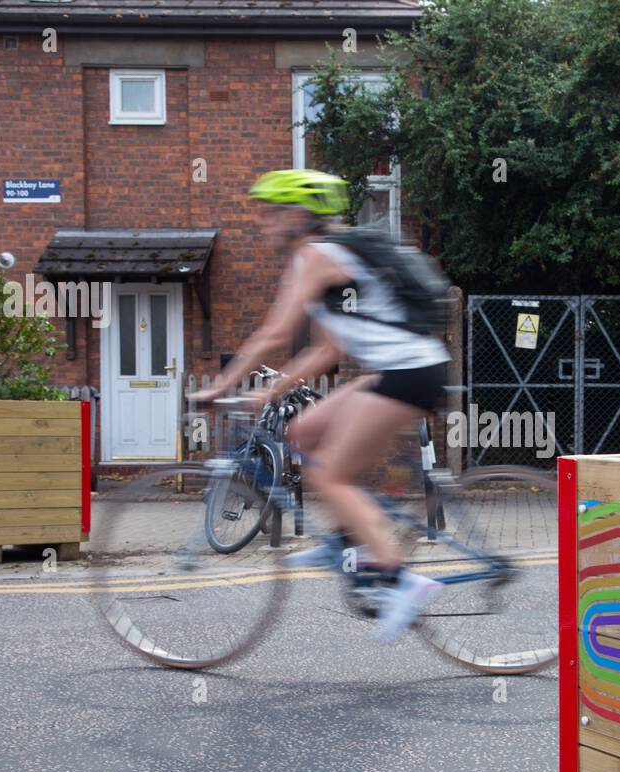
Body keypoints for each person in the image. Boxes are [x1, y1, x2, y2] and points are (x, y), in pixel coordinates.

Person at [190, 169, 451, 643]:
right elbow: (325, 351)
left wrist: (220, 384)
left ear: (298, 215)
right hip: (395, 371)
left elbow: (273, 333)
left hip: (409, 372)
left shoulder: (316, 256)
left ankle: (400, 580)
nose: (263, 224)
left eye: (271, 214)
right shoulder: (326, 260)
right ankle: (348, 543)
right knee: (303, 432)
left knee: (329, 474)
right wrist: (270, 392)